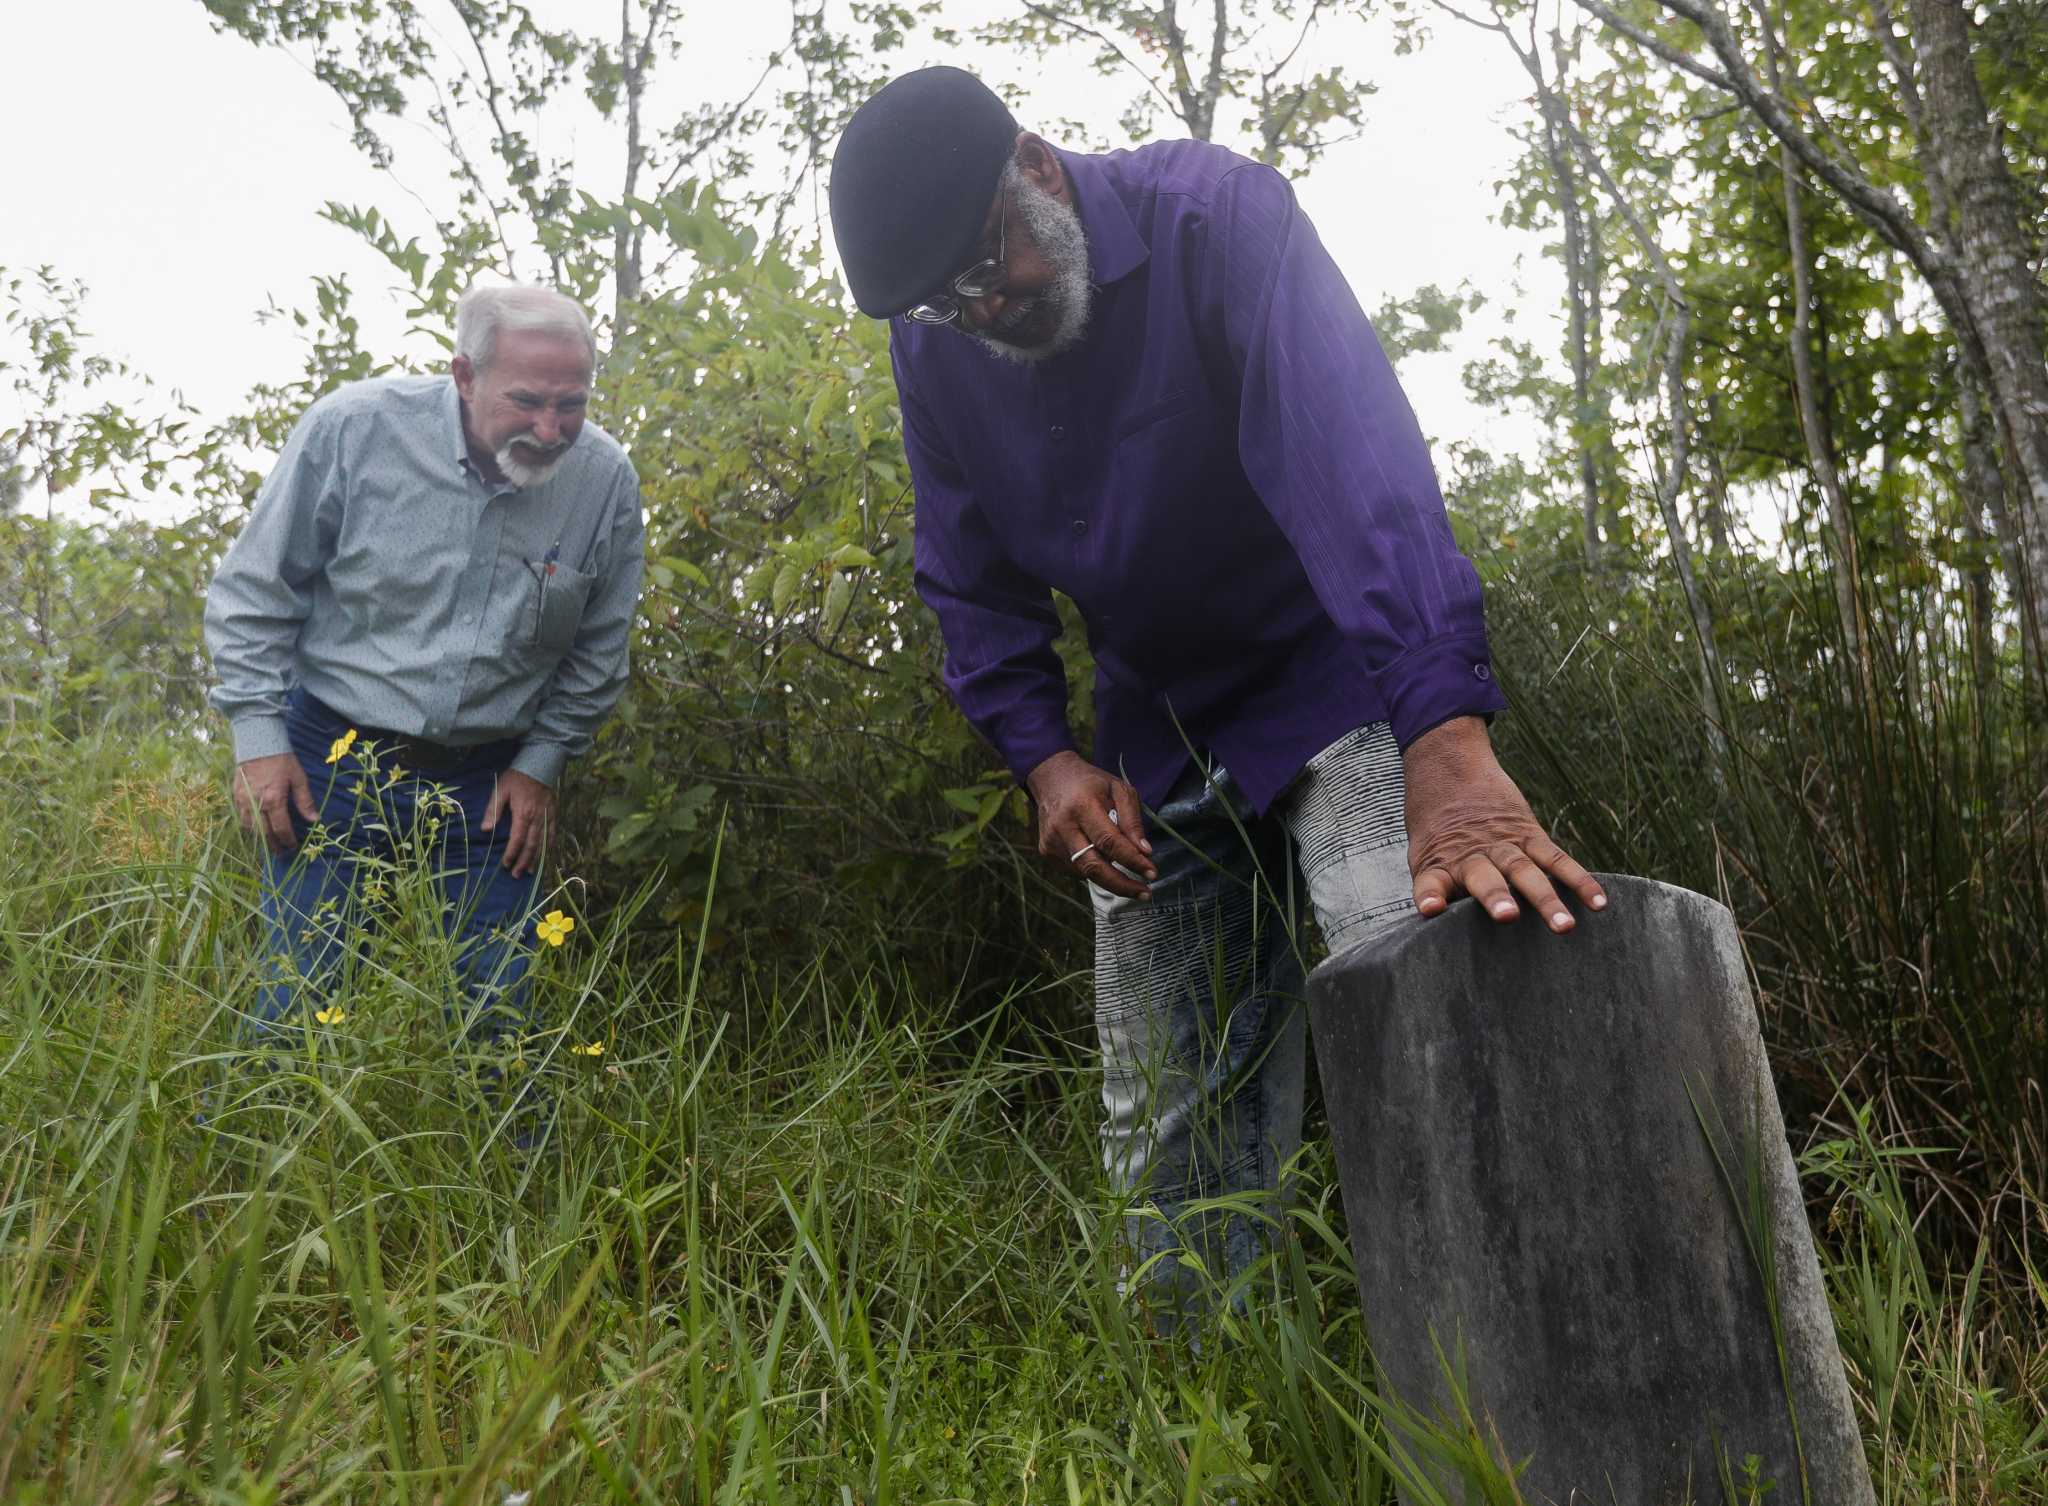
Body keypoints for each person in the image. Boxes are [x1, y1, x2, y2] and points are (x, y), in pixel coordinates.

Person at [827, 67, 1607, 1317]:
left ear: (1034, 166)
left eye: (989, 265)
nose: (983, 307)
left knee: (1425, 991)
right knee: (1163, 1143)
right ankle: (1215, 1421)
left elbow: (1355, 463)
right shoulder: (941, 340)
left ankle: (1516, 1374)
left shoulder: (1217, 220)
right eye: (945, 298)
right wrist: (1044, 758)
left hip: (1340, 688)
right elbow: (965, 574)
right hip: (1161, 736)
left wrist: (1445, 739)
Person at [203, 283, 643, 1049]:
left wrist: (541, 763)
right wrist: (258, 739)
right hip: (329, 760)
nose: (550, 428)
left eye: (570, 404)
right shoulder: (354, 430)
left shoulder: (604, 481)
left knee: (501, 1023)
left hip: (491, 780)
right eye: (528, 401)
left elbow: (599, 651)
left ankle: (509, 1170)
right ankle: (246, 1164)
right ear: (464, 376)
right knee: (298, 1004)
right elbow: (254, 588)